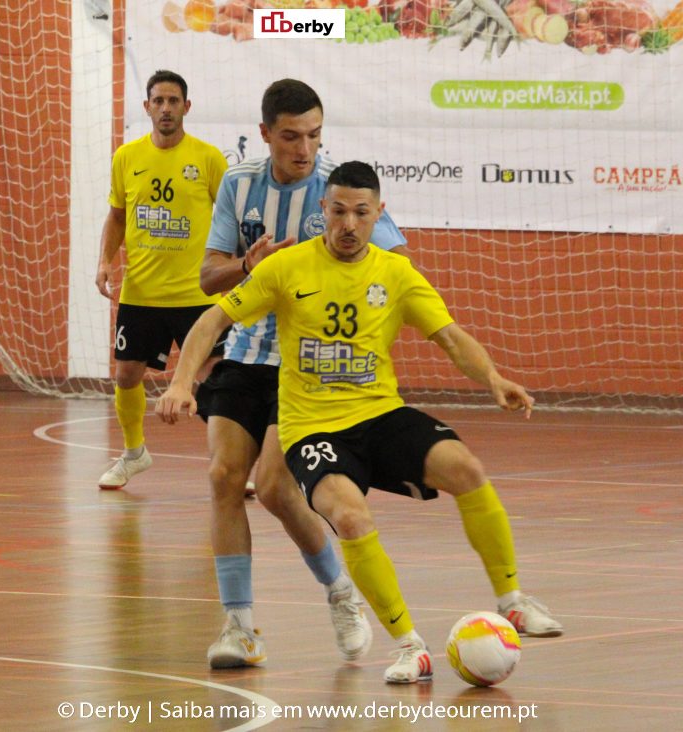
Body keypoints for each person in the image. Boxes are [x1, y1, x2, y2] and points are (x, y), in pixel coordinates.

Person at [157, 161, 563, 685]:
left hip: (379, 412)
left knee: (466, 467)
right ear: (323, 211)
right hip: (312, 430)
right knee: (349, 518)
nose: (349, 224)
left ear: (379, 215)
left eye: (361, 213)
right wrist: (181, 384)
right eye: (339, 211)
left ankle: (512, 599)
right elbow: (213, 318)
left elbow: (450, 336)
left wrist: (493, 379)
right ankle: (409, 646)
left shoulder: (396, 275)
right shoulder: (286, 268)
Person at [181, 79, 410, 670]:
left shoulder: (339, 193)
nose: (303, 149)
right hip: (246, 353)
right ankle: (240, 628)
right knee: (224, 477)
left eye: (313, 135)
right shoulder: (239, 186)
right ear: (265, 135)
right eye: (290, 137)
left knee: (278, 487)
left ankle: (339, 591)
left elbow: (394, 269)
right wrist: (245, 266)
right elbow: (209, 279)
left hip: (310, 368)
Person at [95, 70, 227, 489]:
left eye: (174, 101)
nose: (166, 108)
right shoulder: (127, 157)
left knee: (216, 378)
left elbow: (229, 220)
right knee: (126, 376)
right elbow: (117, 216)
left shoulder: (208, 159)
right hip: (142, 294)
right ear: (147, 107)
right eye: (158, 100)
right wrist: (104, 262)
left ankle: (229, 465)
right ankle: (134, 454)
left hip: (197, 294)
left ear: (187, 107)